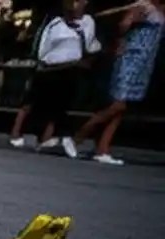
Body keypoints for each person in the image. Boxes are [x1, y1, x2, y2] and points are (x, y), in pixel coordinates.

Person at [73, 0, 163, 164]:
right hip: (132, 57)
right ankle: (79, 135)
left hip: (144, 62)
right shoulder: (144, 6)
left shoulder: (160, 9)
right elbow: (124, 24)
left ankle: (103, 149)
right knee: (118, 104)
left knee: (121, 108)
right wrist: (124, 34)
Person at [28, 0, 100, 158]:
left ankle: (64, 135)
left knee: (61, 103)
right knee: (48, 104)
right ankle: (53, 137)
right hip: (51, 68)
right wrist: (41, 62)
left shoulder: (88, 22)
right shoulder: (55, 24)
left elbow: (90, 44)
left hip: (71, 68)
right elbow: (44, 46)